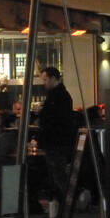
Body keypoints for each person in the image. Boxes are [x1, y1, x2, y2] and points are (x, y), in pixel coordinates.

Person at [37, 67, 76, 207]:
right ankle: (62, 205)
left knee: (57, 175)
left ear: (53, 78)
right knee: (56, 175)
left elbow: (55, 119)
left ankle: (65, 204)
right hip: (57, 142)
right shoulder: (61, 95)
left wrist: (41, 113)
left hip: (55, 142)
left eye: (45, 79)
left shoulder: (57, 97)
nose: (44, 83)